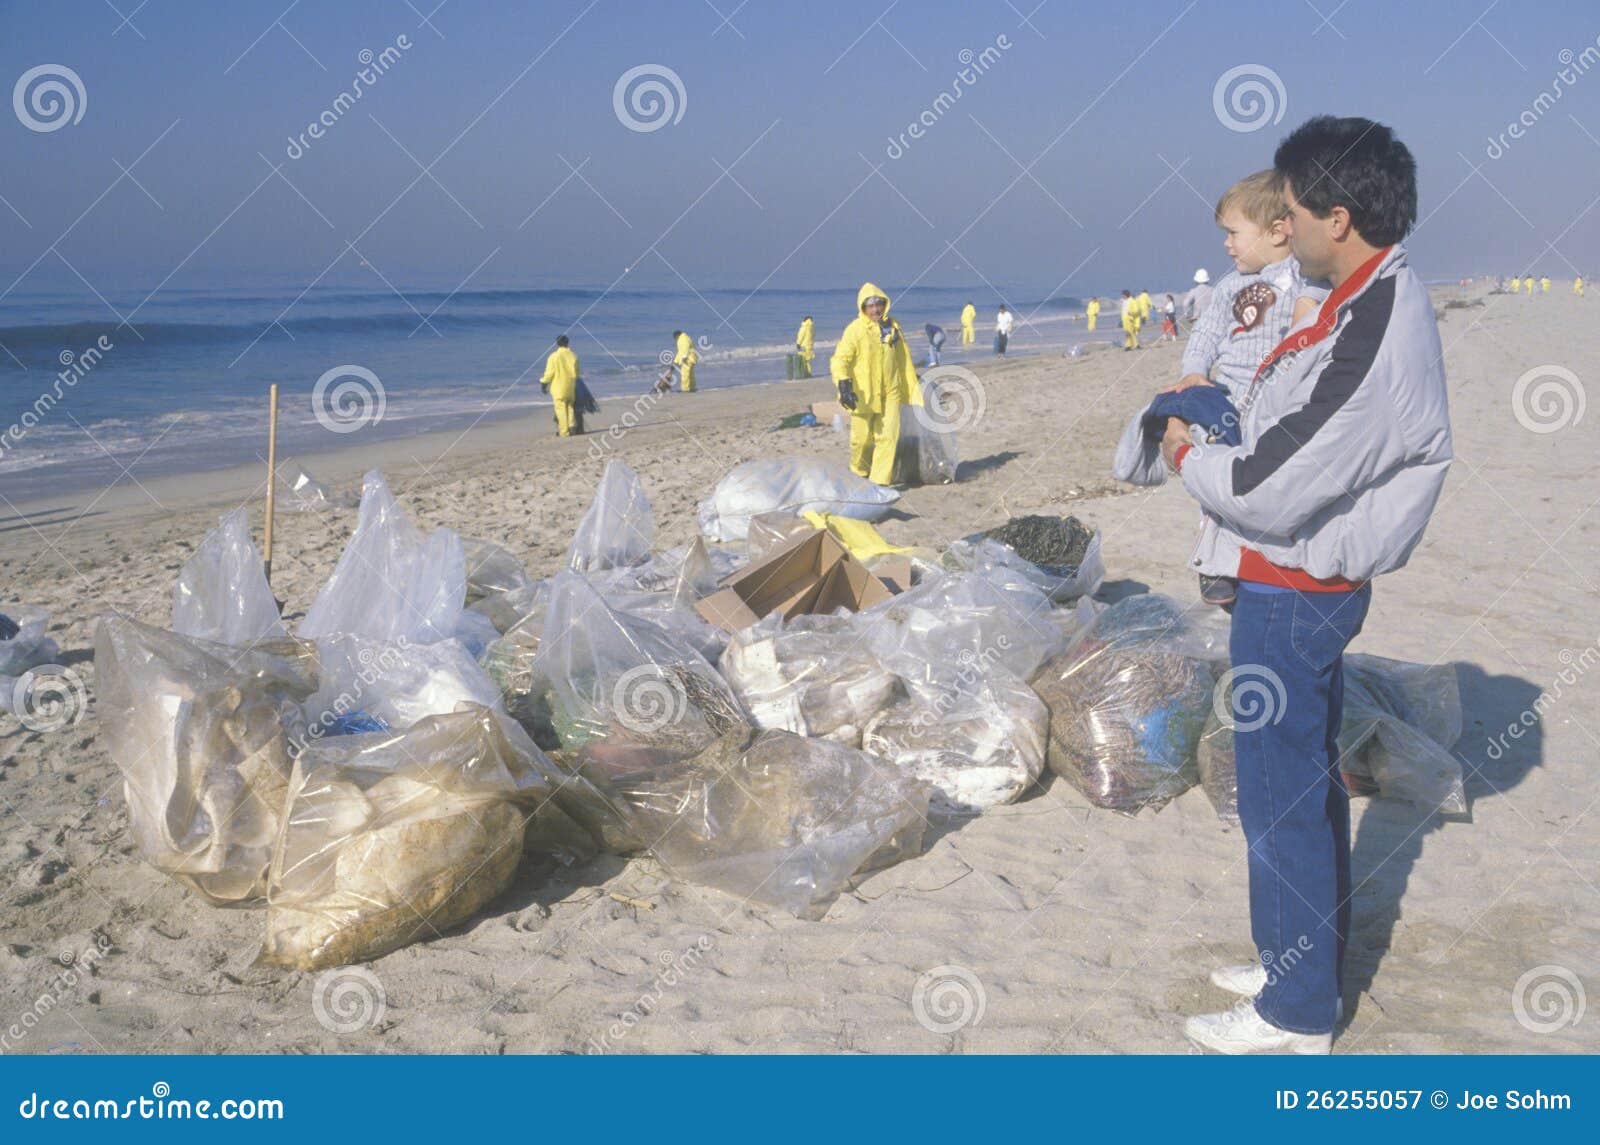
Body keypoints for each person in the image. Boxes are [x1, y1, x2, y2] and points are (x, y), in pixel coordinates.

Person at [1169, 116, 1451, 1056]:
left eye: (1290, 212)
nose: (1282, 228)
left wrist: (1186, 456)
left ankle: (1295, 1011)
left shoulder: (1375, 320)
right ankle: (1293, 958)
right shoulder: (1359, 294)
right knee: (1299, 780)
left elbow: (1271, 483)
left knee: (1280, 789)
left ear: (1339, 217)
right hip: (1288, 572)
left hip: (1298, 584)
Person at [1165, 169, 1325, 605]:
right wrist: (1194, 370)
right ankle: (1213, 561)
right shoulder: (1228, 286)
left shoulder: (1304, 275)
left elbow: (1315, 321)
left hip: (1277, 398)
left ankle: (1262, 554)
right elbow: (1205, 334)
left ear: (1277, 231)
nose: (1226, 244)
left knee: (1263, 479)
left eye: (1234, 233)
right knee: (1214, 476)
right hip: (1229, 395)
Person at [830, 283, 924, 486]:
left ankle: (879, 483)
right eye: (870, 306)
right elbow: (840, 359)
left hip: (891, 390)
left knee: (888, 437)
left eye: (878, 304)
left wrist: (911, 378)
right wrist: (843, 384)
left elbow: (902, 357)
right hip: (863, 393)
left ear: (885, 304)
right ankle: (859, 472)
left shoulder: (894, 326)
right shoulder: (855, 330)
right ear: (863, 307)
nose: (875, 309)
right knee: (861, 440)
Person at [539, 334, 580, 437]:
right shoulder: (573, 356)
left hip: (559, 387)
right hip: (570, 386)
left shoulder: (553, 356)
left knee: (560, 409)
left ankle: (564, 431)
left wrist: (544, 383)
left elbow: (549, 373)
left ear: (557, 344)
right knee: (570, 407)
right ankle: (572, 427)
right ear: (567, 343)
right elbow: (577, 374)